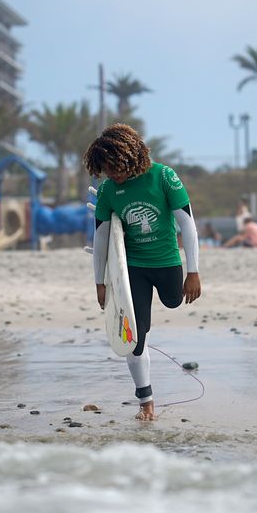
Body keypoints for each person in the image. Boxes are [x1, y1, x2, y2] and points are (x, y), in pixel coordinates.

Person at [86, 123, 201, 422]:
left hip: (166, 261)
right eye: (105, 169)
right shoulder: (109, 190)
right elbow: (101, 238)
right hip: (133, 268)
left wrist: (193, 271)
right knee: (135, 338)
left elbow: (187, 224)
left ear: (130, 156)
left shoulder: (164, 176)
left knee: (174, 301)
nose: (111, 174)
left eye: (114, 166)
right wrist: (100, 282)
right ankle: (146, 400)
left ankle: (160, 309)